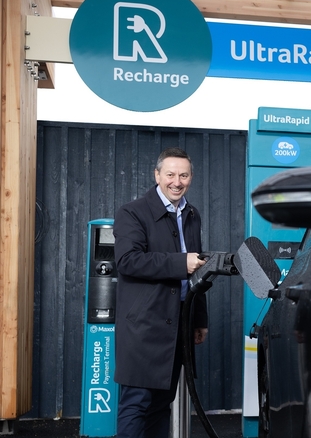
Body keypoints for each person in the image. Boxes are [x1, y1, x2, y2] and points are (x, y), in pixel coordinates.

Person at [113, 147, 208, 438]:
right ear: (157, 175)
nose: (176, 182)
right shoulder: (132, 212)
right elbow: (127, 261)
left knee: (161, 404)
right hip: (144, 327)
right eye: (170, 174)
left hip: (178, 325)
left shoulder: (192, 214)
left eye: (183, 175)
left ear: (191, 178)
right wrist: (180, 263)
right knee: (136, 404)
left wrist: (199, 319)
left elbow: (197, 270)